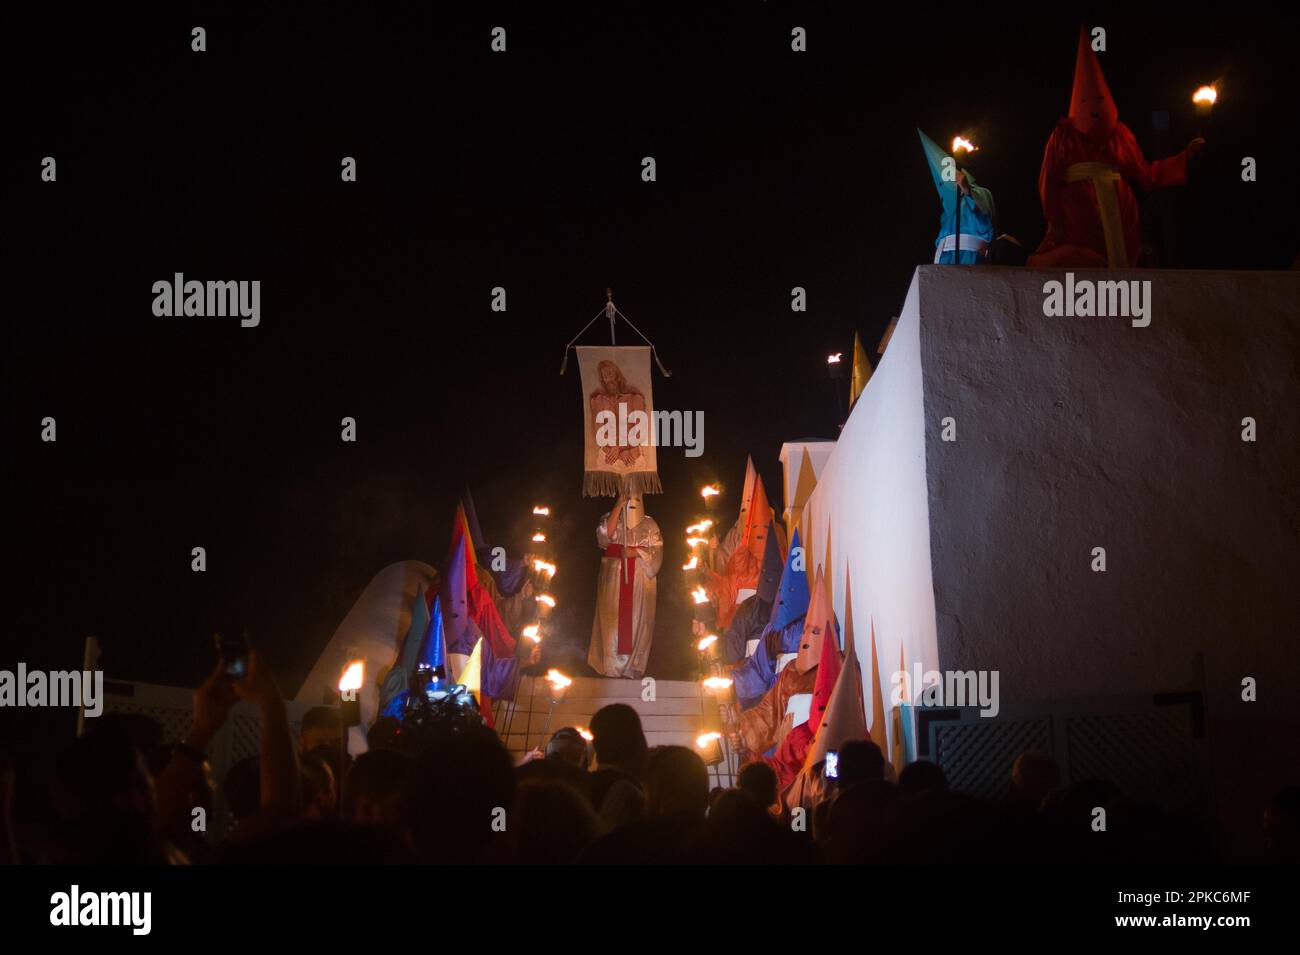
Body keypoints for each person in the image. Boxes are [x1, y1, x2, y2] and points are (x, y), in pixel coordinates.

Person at [1029, 27, 1203, 268]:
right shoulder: (1063, 134)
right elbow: (1048, 178)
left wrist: (1185, 157)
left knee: (1120, 263)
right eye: (1086, 102)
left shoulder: (1119, 134)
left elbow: (1144, 173)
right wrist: (1053, 217)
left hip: (1120, 210)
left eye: (1099, 101)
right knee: (1080, 263)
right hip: (1077, 211)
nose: (1093, 109)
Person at [588, 490, 663, 679]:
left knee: (638, 621)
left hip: (640, 581)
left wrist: (637, 552)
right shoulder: (609, 517)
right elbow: (604, 538)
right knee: (612, 622)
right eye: (628, 498)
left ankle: (633, 667)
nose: (632, 502)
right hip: (613, 579)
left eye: (635, 499)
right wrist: (618, 506)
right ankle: (610, 668)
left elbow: (657, 554)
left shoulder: (649, 524)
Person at [917, 128, 997, 264]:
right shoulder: (949, 202)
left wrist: (967, 191)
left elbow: (984, 223)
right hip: (943, 256)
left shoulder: (983, 192)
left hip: (969, 254)